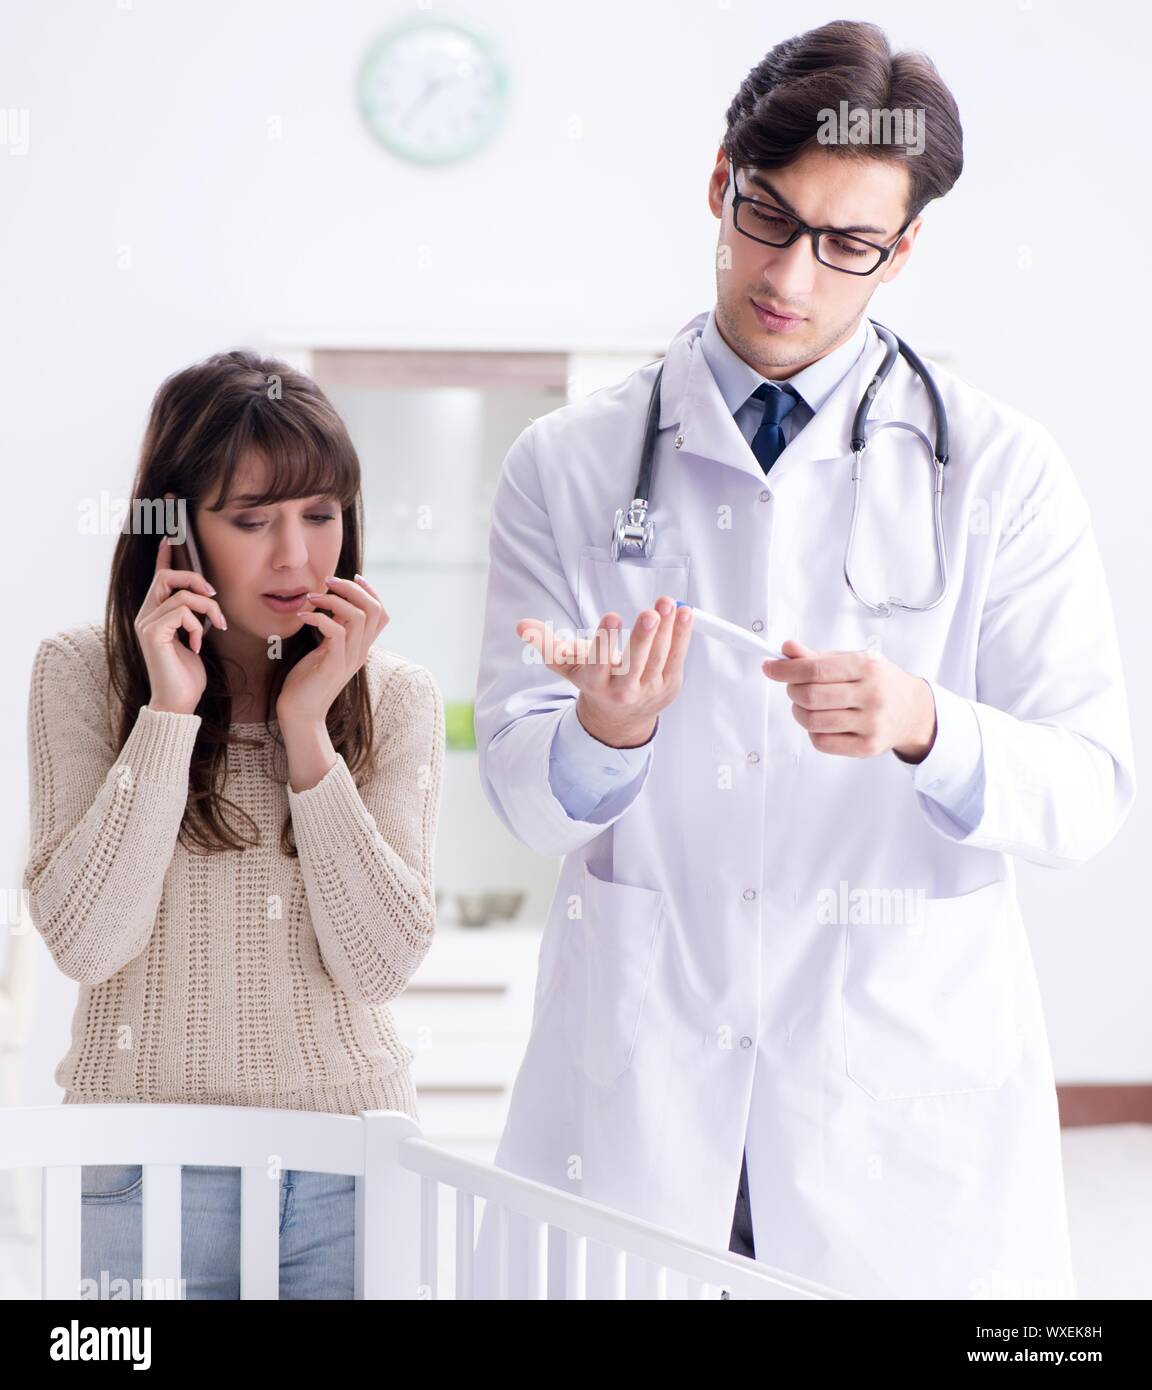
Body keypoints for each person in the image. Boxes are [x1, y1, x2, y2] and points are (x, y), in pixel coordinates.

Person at [471, 20, 1136, 1299]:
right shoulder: (566, 466)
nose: (794, 276)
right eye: (771, 218)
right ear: (721, 180)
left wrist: (929, 721)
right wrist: (602, 735)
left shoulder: (998, 470)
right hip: (646, 1081)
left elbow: (1090, 784)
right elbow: (515, 785)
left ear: (905, 248)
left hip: (892, 1095)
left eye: (849, 246)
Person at [23, 349, 444, 1299]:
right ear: (177, 531)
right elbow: (87, 941)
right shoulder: (83, 677)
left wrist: (305, 730)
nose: (296, 556)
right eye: (252, 521)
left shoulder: (396, 698)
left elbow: (381, 963)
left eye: (321, 515)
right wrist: (168, 715)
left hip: (349, 1168)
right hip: (141, 1168)